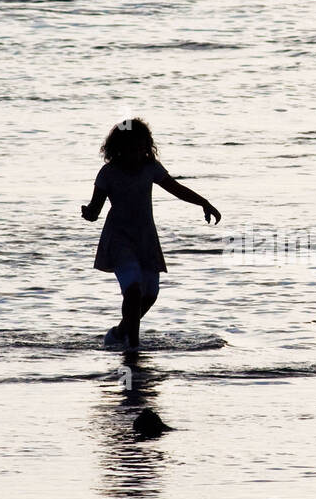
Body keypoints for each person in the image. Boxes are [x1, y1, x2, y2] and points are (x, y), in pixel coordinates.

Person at [81, 117, 221, 349]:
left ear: (147, 148)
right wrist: (89, 214)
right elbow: (96, 209)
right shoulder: (108, 173)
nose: (136, 153)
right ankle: (133, 345)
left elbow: (177, 189)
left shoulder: (150, 168)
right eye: (130, 148)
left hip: (145, 238)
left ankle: (120, 332)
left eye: (140, 148)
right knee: (133, 289)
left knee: (150, 294)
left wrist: (204, 203)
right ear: (118, 149)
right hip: (118, 238)